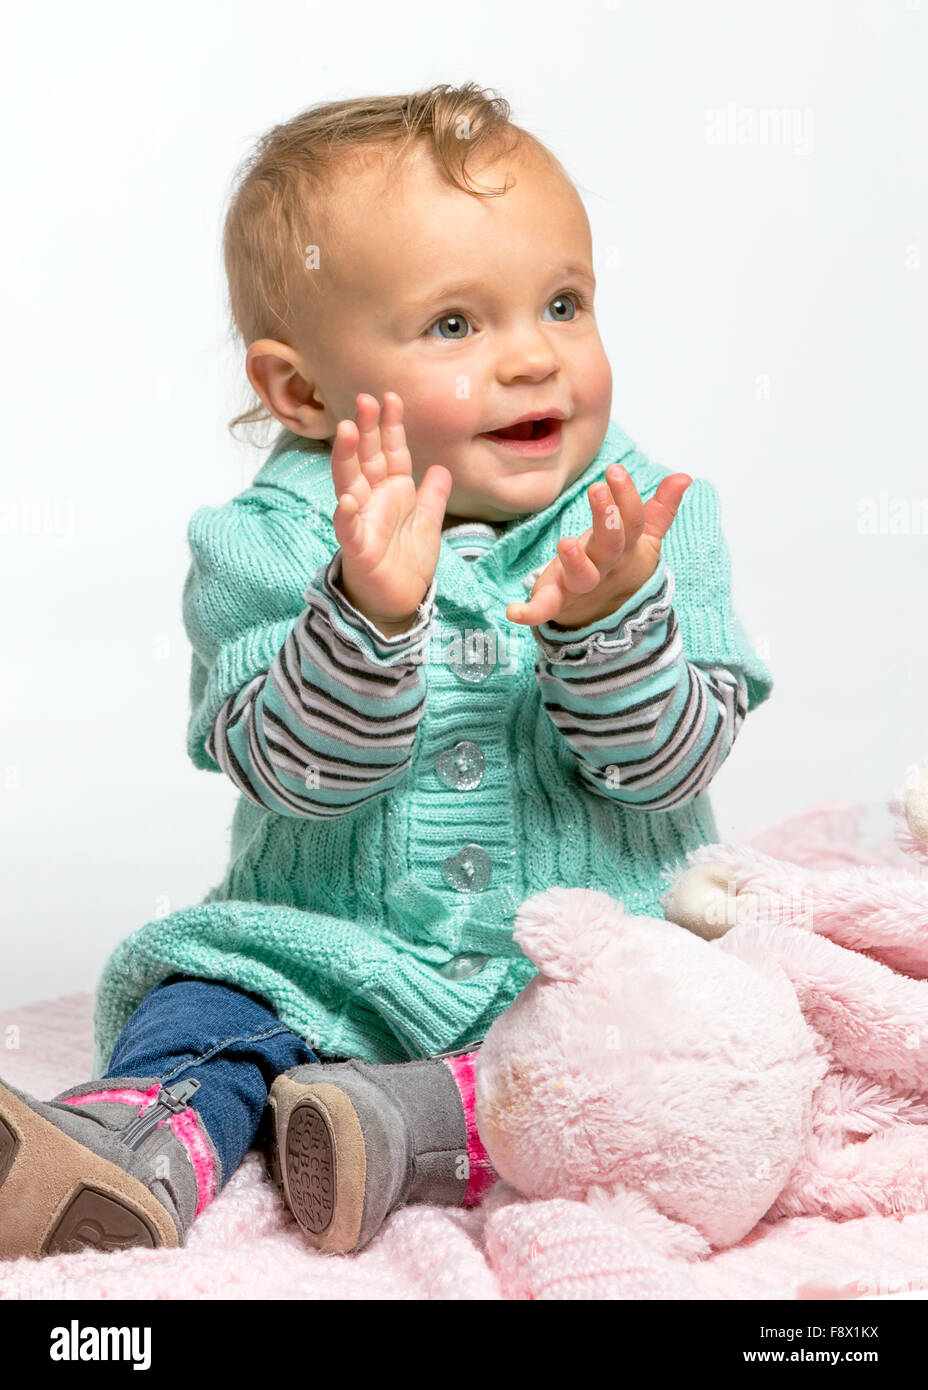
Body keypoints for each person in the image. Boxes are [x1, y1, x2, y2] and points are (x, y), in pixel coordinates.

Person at [0, 82, 772, 1261]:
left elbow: (667, 768)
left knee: (690, 1054)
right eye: (456, 326)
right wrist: (367, 614)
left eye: (563, 303)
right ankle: (130, 1147)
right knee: (205, 1008)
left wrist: (606, 624)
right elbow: (299, 776)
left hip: (591, 957)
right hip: (331, 953)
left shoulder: (647, 519)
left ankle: (407, 1127)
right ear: (302, 391)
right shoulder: (264, 541)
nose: (533, 358)